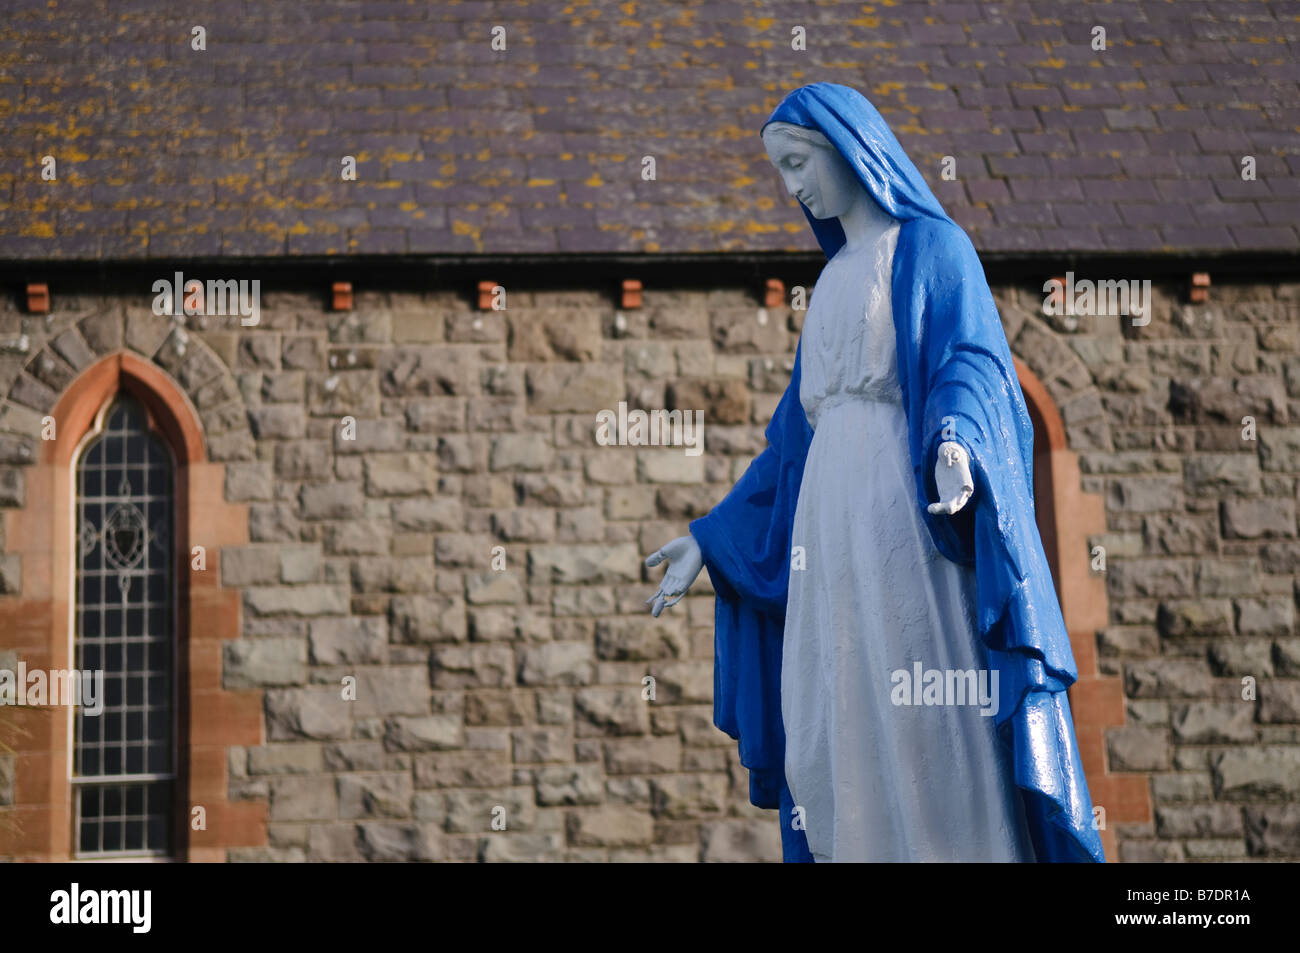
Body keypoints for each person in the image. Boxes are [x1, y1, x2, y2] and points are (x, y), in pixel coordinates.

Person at [644, 83, 1104, 863]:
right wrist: (712, 541)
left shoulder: (932, 249)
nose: (793, 187)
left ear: (849, 147)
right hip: (826, 530)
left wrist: (958, 440)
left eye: (798, 163)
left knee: (923, 696)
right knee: (838, 711)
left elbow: (974, 363)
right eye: (781, 171)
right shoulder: (828, 284)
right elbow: (789, 449)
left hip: (902, 511)